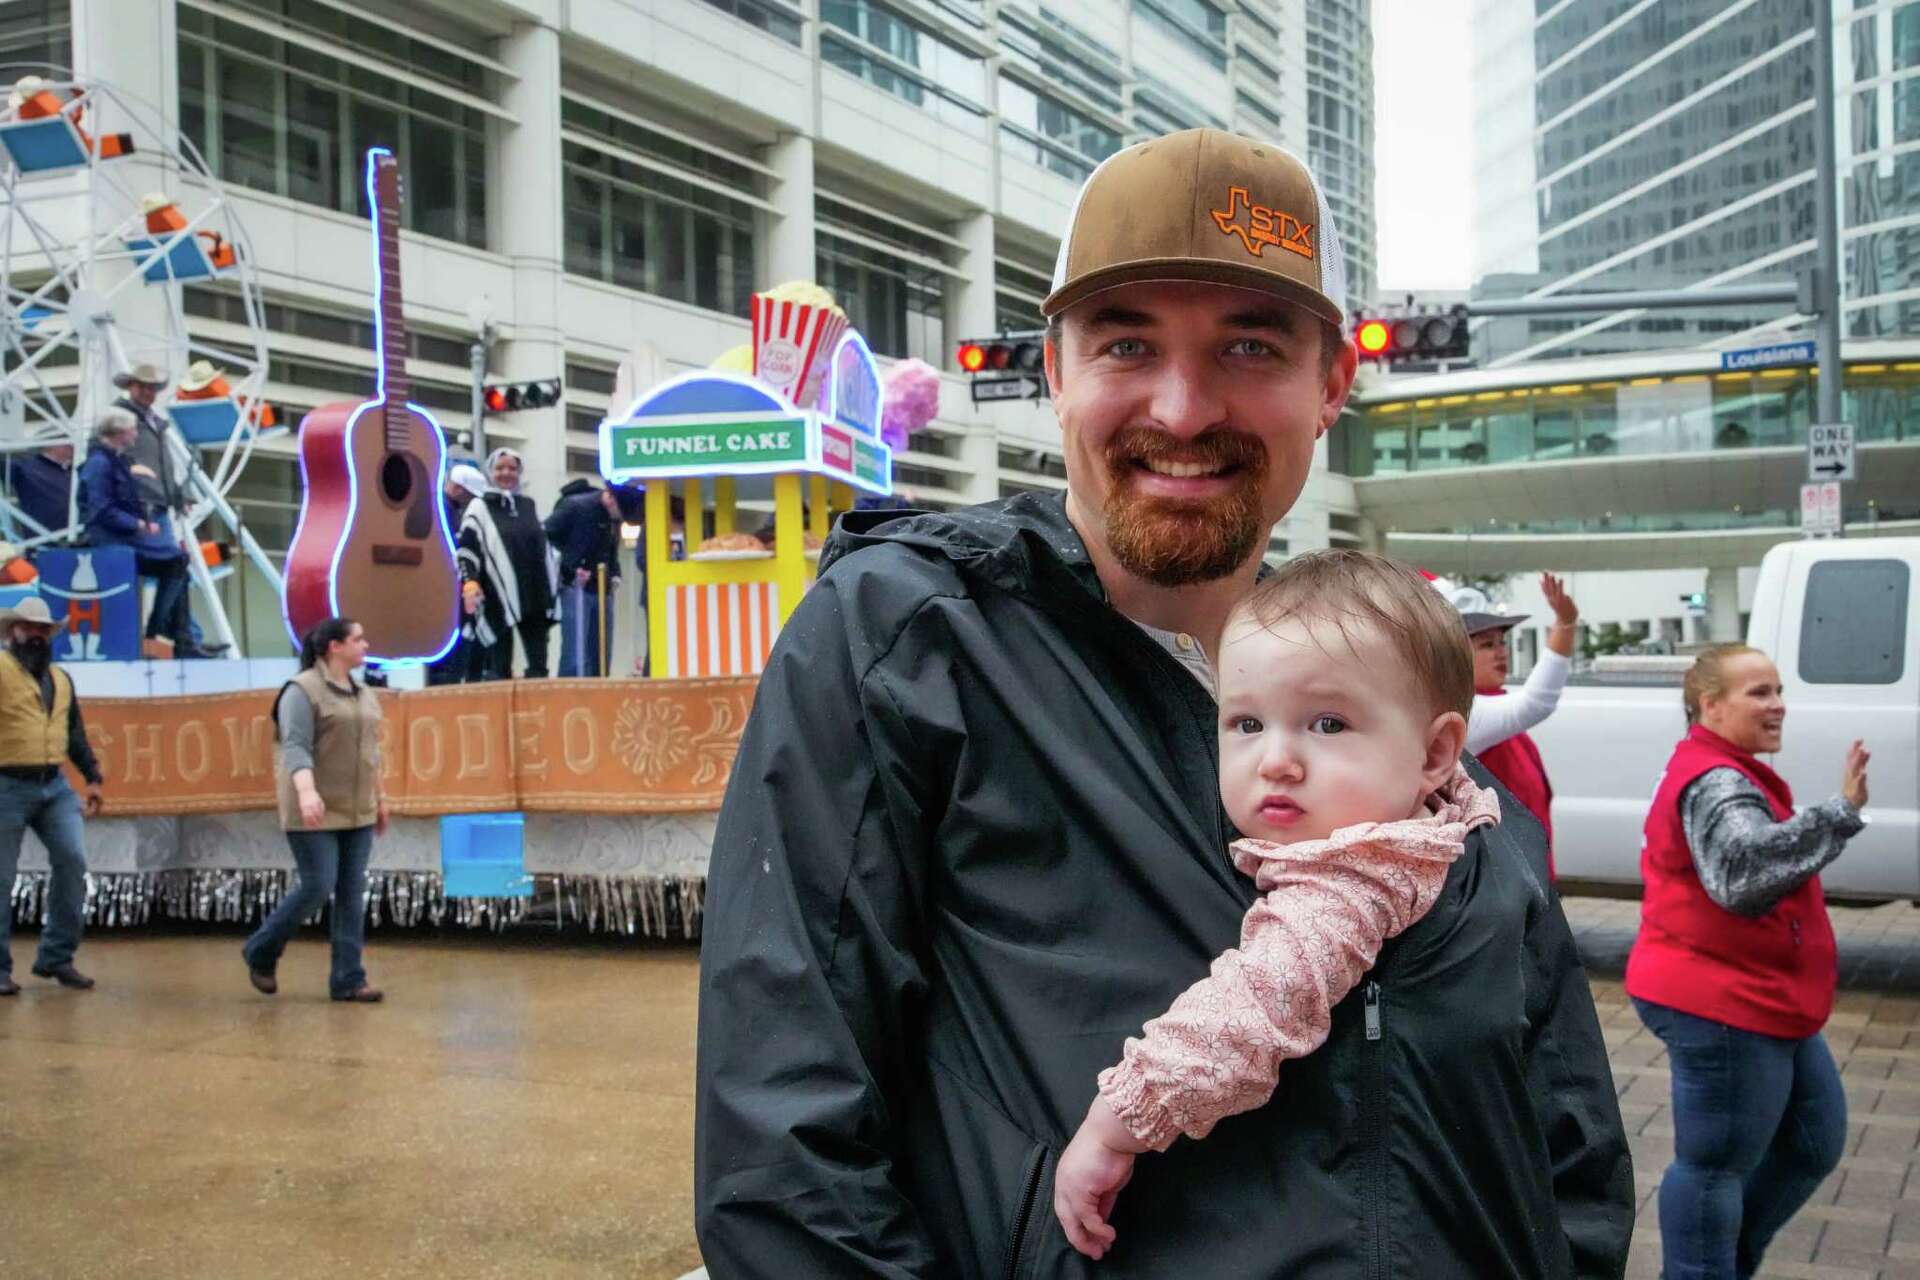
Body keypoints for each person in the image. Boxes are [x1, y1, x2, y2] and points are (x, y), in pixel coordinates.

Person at [695, 130, 1632, 1278]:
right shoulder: (912, 643)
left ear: (1331, 381)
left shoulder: (1404, 716)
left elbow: (1567, 1147)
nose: (1183, 409)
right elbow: (787, 1160)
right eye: (1127, 342)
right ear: (1055, 370)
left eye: (1249, 344)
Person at [1052, 551, 1499, 1259]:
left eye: (1327, 725)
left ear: (1436, 753)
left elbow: (1254, 1007)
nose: (1276, 761)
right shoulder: (1450, 824)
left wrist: (1116, 1126)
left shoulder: (1356, 877)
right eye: (1246, 724)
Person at [1626, 644, 1866, 1280]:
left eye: (1778, 689)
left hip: (1764, 995)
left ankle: (1721, 1263)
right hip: (1720, 1002)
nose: (1778, 704)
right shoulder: (1717, 779)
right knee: (1712, 1168)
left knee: (1815, 1139)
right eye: (1759, 692)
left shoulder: (1724, 767)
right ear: (1711, 705)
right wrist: (1838, 813)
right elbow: (1742, 872)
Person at [242, 617, 388, 1003]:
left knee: (351, 892)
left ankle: (348, 979)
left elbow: (372, 752)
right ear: (334, 647)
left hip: (357, 808)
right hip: (314, 807)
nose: (365, 645)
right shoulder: (301, 691)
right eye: (358, 639)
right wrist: (306, 791)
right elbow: (295, 745)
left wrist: (381, 799)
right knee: (318, 884)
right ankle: (261, 949)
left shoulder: (364, 693)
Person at [0, 596, 104, 995]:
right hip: (5, 784)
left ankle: (57, 956)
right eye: (30, 628)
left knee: (73, 861)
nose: (37, 636)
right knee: (1, 877)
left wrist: (92, 777)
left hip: (54, 785)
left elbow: (73, 732)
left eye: (44, 629)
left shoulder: (60, 679)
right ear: (13, 632)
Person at [1451, 572, 1581, 873]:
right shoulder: (1464, 712)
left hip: (1518, 877)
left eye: (1501, 642)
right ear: (1453, 655)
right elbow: (1537, 702)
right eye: (1486, 645)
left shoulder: (1491, 704)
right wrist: (1565, 625)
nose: (1501, 651)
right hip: (1501, 881)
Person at [77, 410, 197, 656]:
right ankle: (155, 631)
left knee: (178, 564)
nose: (135, 434)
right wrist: (138, 524)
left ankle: (170, 635)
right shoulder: (100, 463)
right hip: (111, 541)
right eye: (132, 430)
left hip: (123, 537)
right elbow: (100, 509)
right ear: (120, 433)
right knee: (176, 562)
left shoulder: (115, 459)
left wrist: (142, 520)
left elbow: (121, 500)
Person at [456, 447, 556, 680]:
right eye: (500, 468)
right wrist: (469, 582)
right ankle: (501, 712)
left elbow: (542, 548)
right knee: (500, 664)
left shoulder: (527, 505)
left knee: (538, 662)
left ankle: (537, 710)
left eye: (512, 468)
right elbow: (467, 547)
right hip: (495, 595)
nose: (506, 474)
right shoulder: (479, 507)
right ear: (490, 472)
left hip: (533, 592)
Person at [544, 477, 643, 677]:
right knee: (576, 651)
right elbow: (546, 536)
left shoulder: (609, 517)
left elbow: (610, 547)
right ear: (612, 500)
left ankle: (597, 688)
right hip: (575, 587)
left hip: (602, 586)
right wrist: (569, 567)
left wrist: (614, 572)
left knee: (600, 650)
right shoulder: (574, 507)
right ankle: (571, 695)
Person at [426, 463, 487, 687]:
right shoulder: (446, 511)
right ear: (461, 490)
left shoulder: (437, 505)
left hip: (440, 593)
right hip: (447, 593)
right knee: (451, 656)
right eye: (471, 496)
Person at [6, 433, 75, 540]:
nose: (72, 445)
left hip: (78, 541)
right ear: (50, 445)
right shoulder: (24, 467)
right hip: (43, 543)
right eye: (67, 441)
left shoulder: (76, 469)